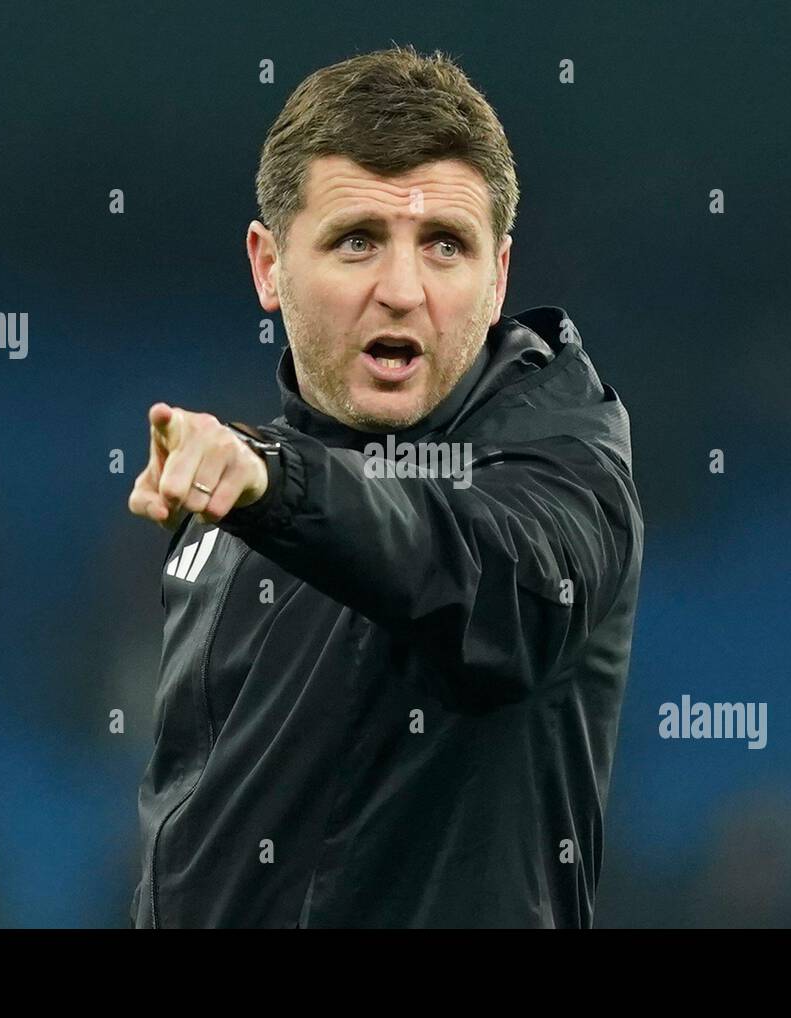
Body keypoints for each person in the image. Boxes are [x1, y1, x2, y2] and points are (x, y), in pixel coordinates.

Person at [126, 43, 644, 928]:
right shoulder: (233, 503)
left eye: (444, 245)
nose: (402, 290)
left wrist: (274, 484)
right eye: (357, 240)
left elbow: (492, 583)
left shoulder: (563, 464)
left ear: (499, 277)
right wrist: (266, 485)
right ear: (267, 265)